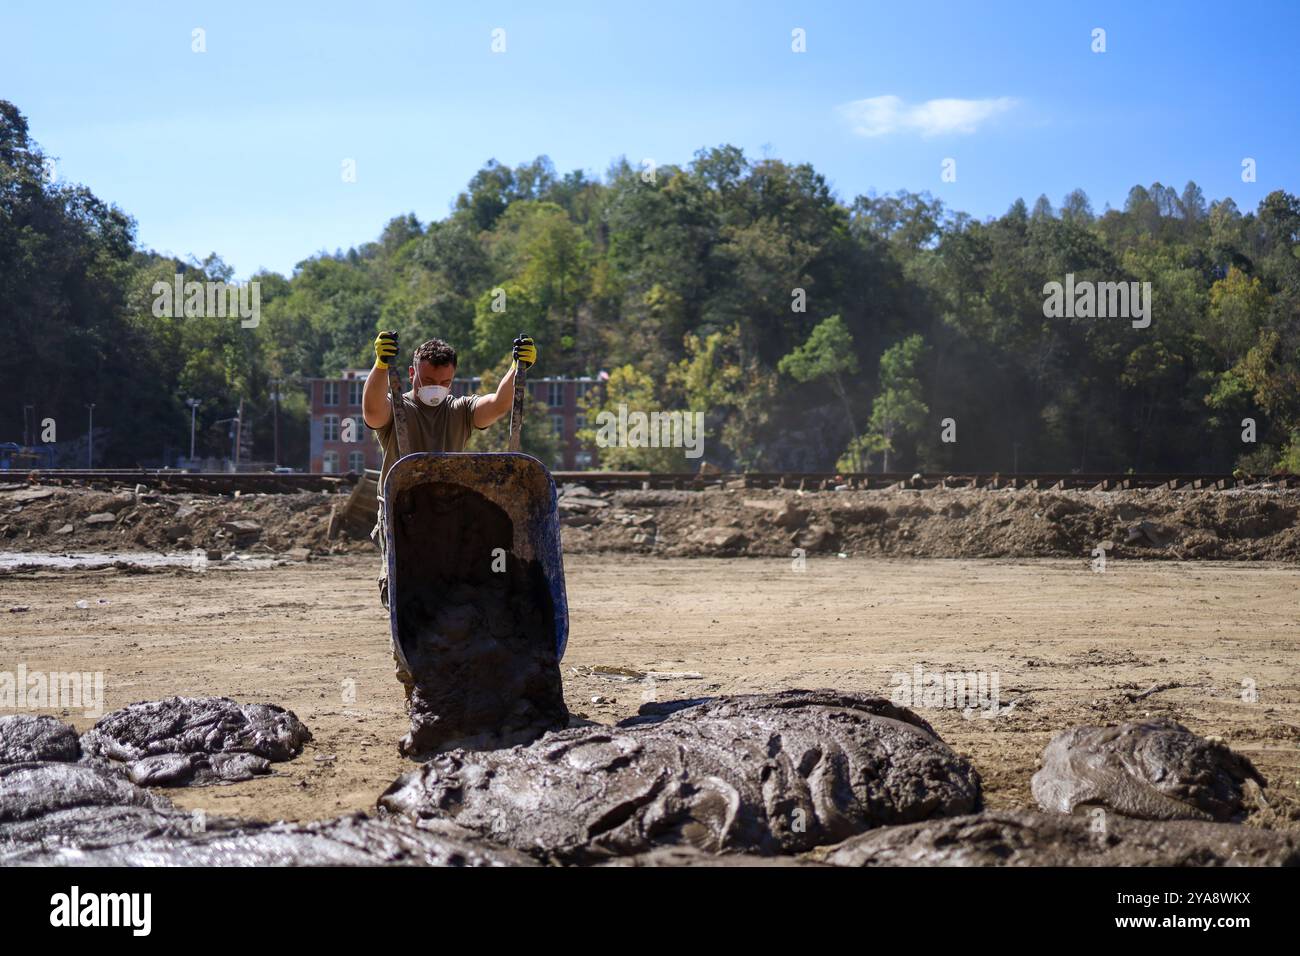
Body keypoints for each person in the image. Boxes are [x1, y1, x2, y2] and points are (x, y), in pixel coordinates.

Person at [360, 331, 537, 694]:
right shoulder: (399, 409)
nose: (437, 388)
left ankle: (457, 682)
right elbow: (371, 410)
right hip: (401, 521)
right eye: (429, 381)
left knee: (453, 598)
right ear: (412, 374)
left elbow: (499, 404)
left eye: (445, 381)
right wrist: (380, 367)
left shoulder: (460, 411)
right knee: (402, 597)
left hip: (450, 523)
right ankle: (414, 685)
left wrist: (516, 369)